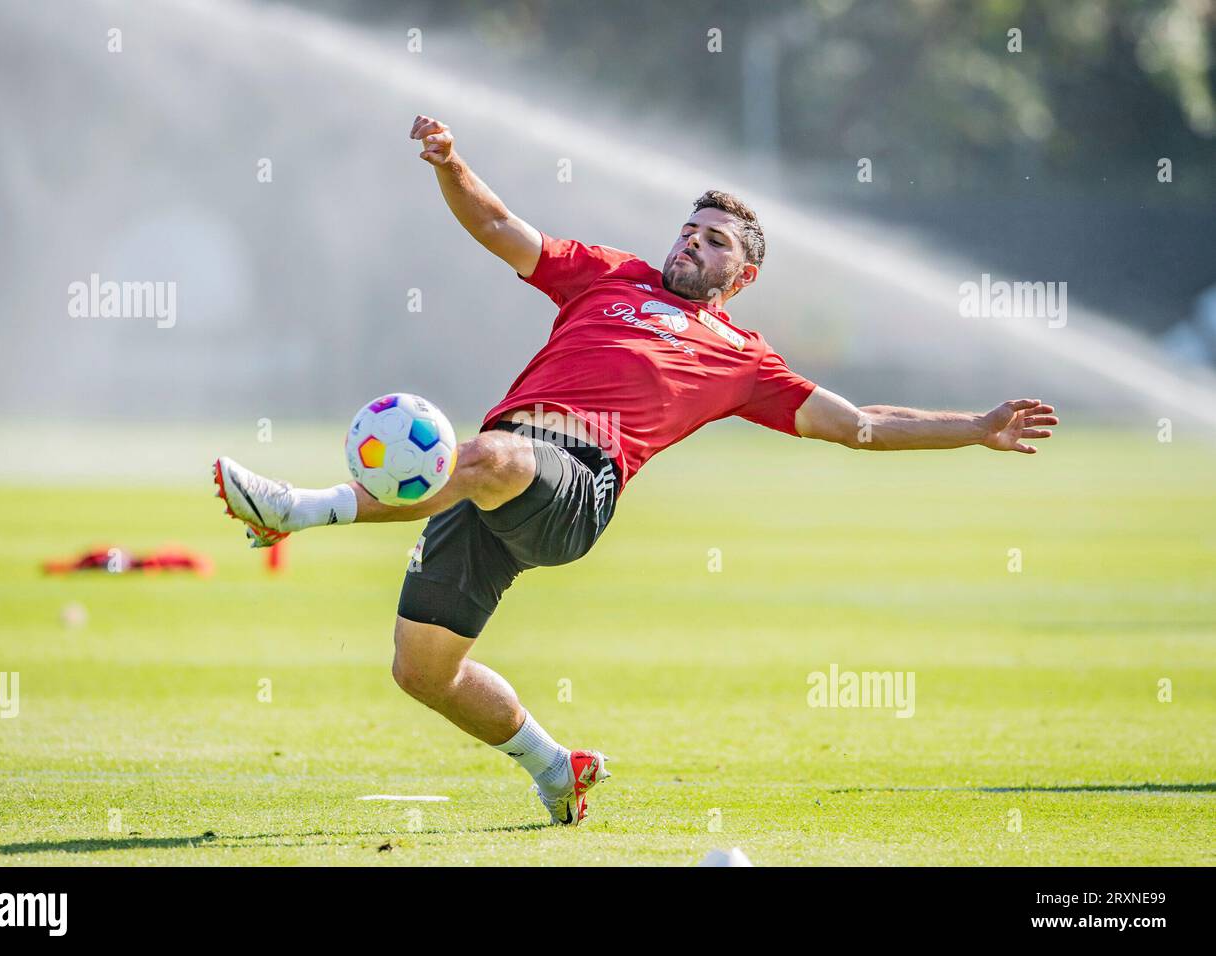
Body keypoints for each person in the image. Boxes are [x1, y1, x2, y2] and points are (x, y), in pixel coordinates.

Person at [213, 114, 1059, 826]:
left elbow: (863, 424)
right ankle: (556, 768)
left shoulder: (744, 360)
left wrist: (976, 427)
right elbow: (500, 226)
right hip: (495, 480)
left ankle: (291, 510)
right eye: (689, 229)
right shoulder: (609, 274)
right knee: (421, 673)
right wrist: (453, 165)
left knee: (489, 455)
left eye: (714, 239)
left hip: (572, 490)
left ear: (743, 274)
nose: (692, 242)